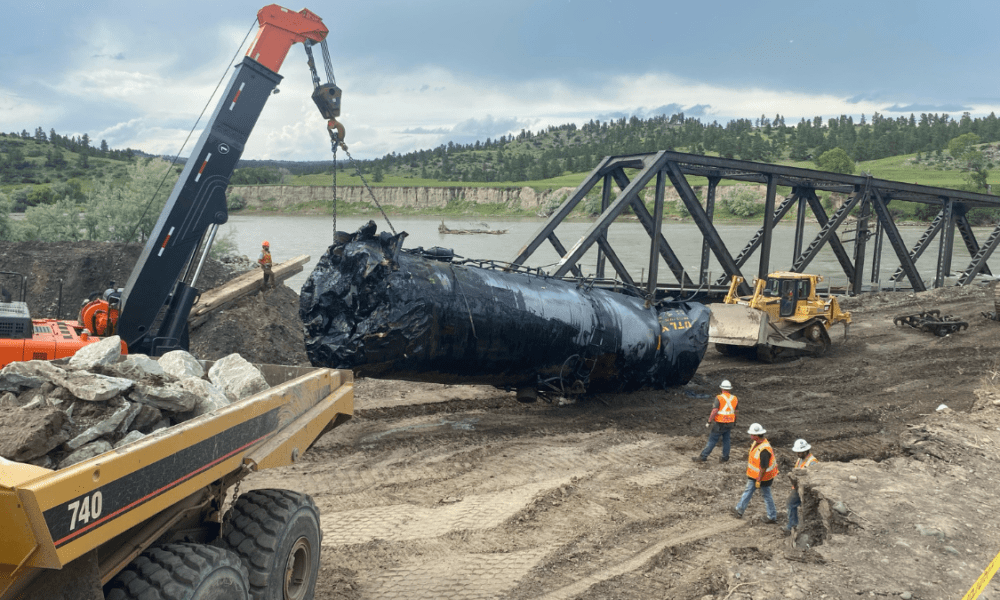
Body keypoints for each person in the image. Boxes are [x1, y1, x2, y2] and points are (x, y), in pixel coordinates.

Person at [732, 423, 779, 523]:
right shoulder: (756, 443)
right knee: (748, 491)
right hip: (755, 475)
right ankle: (739, 510)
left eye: (752, 434)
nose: (750, 436)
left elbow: (763, 467)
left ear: (756, 436)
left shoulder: (764, 450)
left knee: (766, 495)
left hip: (764, 477)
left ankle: (772, 516)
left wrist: (759, 479)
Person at [693, 379, 738, 463]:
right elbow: (736, 412)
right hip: (730, 422)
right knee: (726, 440)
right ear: (730, 389)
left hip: (720, 423)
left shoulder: (719, 398)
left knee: (712, 440)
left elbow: (714, 411)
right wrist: (735, 421)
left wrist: (709, 421)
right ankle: (725, 457)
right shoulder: (734, 398)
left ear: (722, 388)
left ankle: (703, 456)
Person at [784, 438, 818, 535]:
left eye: (799, 452)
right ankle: (795, 525)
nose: (797, 454)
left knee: (791, 504)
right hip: (799, 487)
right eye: (797, 452)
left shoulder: (812, 462)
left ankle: (793, 526)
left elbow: (812, 478)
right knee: (793, 504)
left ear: (805, 450)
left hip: (806, 488)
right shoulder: (801, 459)